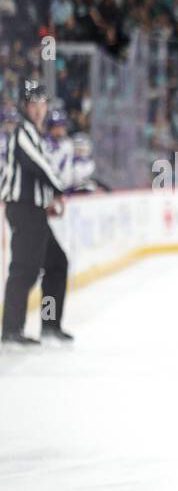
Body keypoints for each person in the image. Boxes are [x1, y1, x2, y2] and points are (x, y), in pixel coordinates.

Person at [1, 81, 72, 346]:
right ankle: (11, 330)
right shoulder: (23, 132)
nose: (39, 110)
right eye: (33, 105)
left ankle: (50, 325)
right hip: (24, 210)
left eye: (42, 104)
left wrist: (50, 197)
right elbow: (39, 167)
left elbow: (40, 172)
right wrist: (59, 189)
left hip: (36, 211)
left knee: (56, 264)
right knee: (24, 269)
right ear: (25, 107)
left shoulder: (34, 133)